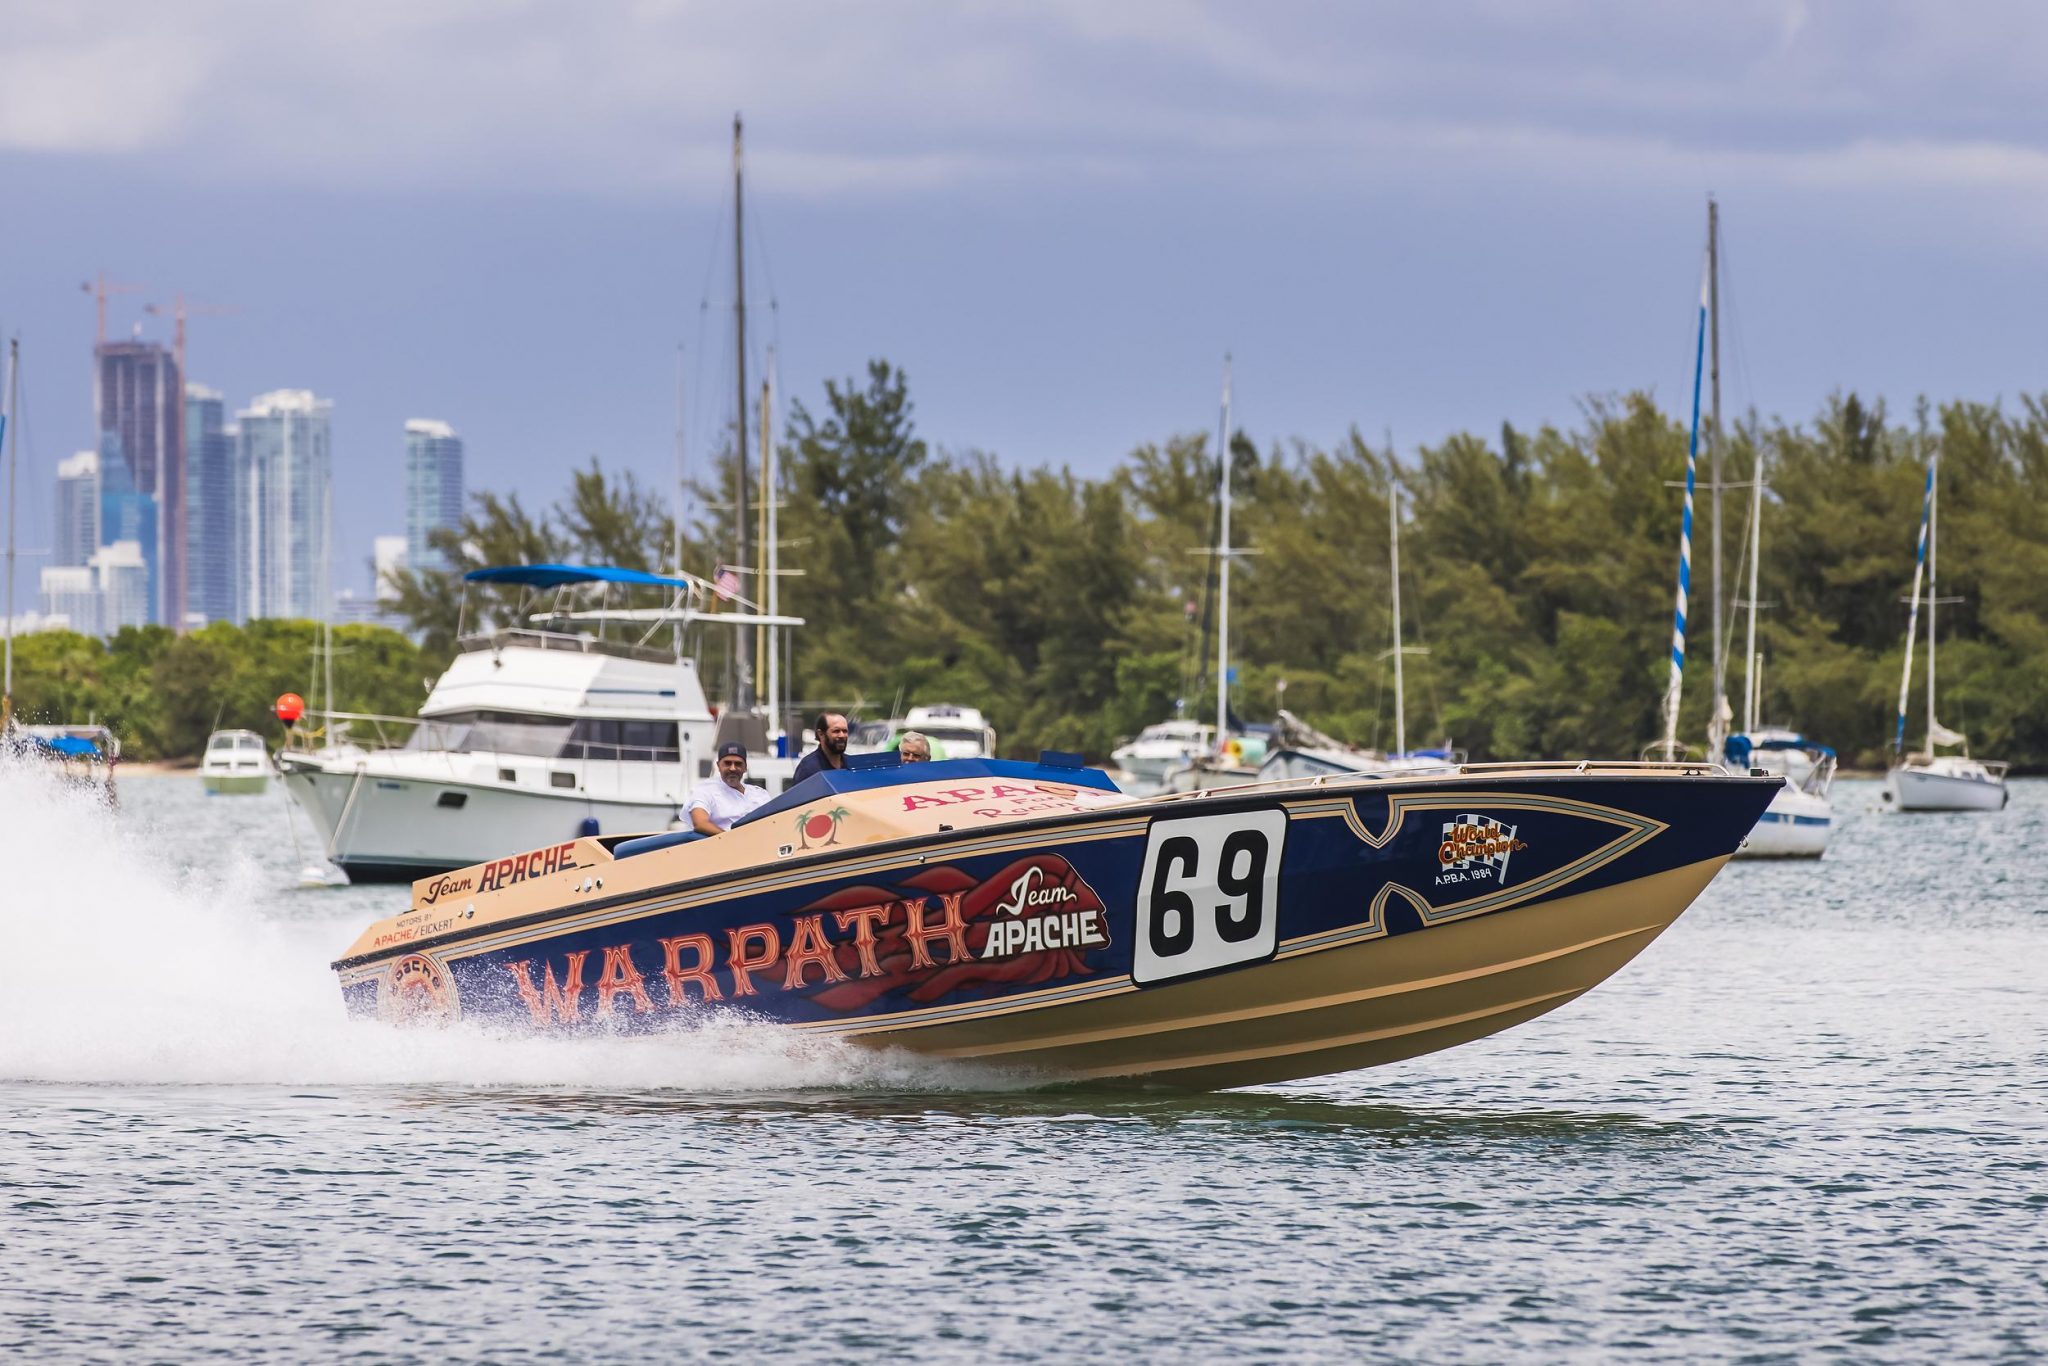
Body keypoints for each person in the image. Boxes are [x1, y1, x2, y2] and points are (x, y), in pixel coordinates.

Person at [686, 742, 769, 834]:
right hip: (722, 845)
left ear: (745, 768)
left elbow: (773, 821)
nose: (733, 768)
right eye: (727, 763)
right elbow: (700, 823)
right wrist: (730, 839)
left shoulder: (760, 794)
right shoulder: (705, 791)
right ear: (718, 766)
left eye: (738, 764)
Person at [792, 712, 851, 783]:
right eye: (836, 731)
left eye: (845, 731)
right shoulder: (809, 768)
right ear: (821, 734)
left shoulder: (852, 765)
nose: (842, 735)